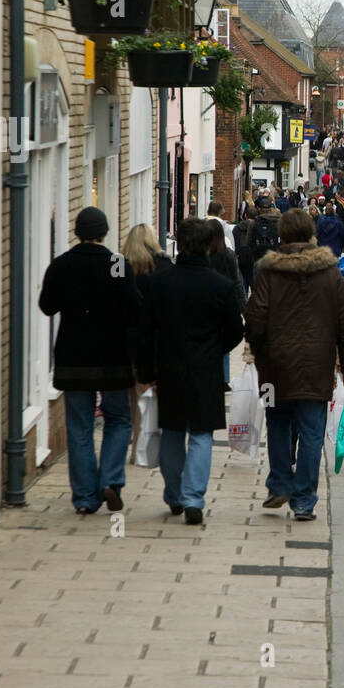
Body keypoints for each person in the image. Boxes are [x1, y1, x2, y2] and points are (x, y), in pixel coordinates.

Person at [245, 209, 344, 521]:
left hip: (274, 367)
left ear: (282, 235)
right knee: (311, 431)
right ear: (312, 235)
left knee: (278, 423)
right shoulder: (329, 272)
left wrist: (258, 350)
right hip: (316, 366)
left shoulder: (268, 272)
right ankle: (304, 501)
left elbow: (255, 316)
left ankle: (279, 484)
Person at [137, 218, 244, 524]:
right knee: (200, 434)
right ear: (209, 245)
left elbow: (146, 331)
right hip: (206, 371)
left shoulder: (160, 283)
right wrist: (214, 349)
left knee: (172, 432)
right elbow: (236, 330)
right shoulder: (220, 286)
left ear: (180, 245)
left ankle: (174, 494)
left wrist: (147, 372)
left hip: (169, 370)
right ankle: (193, 498)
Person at [38, 207, 138, 515]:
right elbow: (133, 308)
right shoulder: (117, 265)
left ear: (77, 232)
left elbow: (47, 306)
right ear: (105, 232)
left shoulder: (63, 264)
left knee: (79, 426)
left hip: (74, 357)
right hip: (113, 358)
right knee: (119, 420)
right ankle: (110, 479)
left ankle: (84, 497)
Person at [122, 223, 172, 463]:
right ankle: (144, 447)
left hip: (125, 340)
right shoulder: (164, 266)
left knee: (130, 397)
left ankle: (133, 444)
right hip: (154, 340)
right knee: (148, 394)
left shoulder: (122, 268)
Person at [202, 218, 245, 386]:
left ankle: (212, 374)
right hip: (226, 302)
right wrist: (242, 306)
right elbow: (237, 280)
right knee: (224, 339)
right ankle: (224, 377)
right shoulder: (228, 254)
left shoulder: (204, 255)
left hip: (207, 303)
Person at [242, 195, 282, 284]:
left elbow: (248, 242)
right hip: (274, 260)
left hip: (258, 260)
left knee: (258, 288)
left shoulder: (253, 223)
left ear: (259, 209)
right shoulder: (278, 222)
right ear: (271, 209)